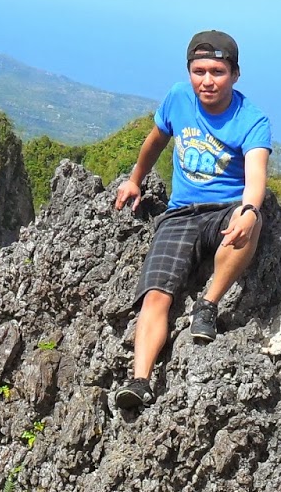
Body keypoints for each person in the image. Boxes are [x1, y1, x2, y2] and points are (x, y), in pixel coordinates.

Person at [111, 30, 272, 412]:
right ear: (189, 73)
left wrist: (249, 211)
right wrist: (135, 180)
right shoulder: (178, 98)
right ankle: (140, 380)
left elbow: (256, 178)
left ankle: (208, 304)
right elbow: (155, 140)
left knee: (250, 222)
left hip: (224, 209)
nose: (207, 81)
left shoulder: (252, 120)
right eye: (199, 71)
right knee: (156, 295)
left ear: (235, 74)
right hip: (181, 213)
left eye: (217, 71)